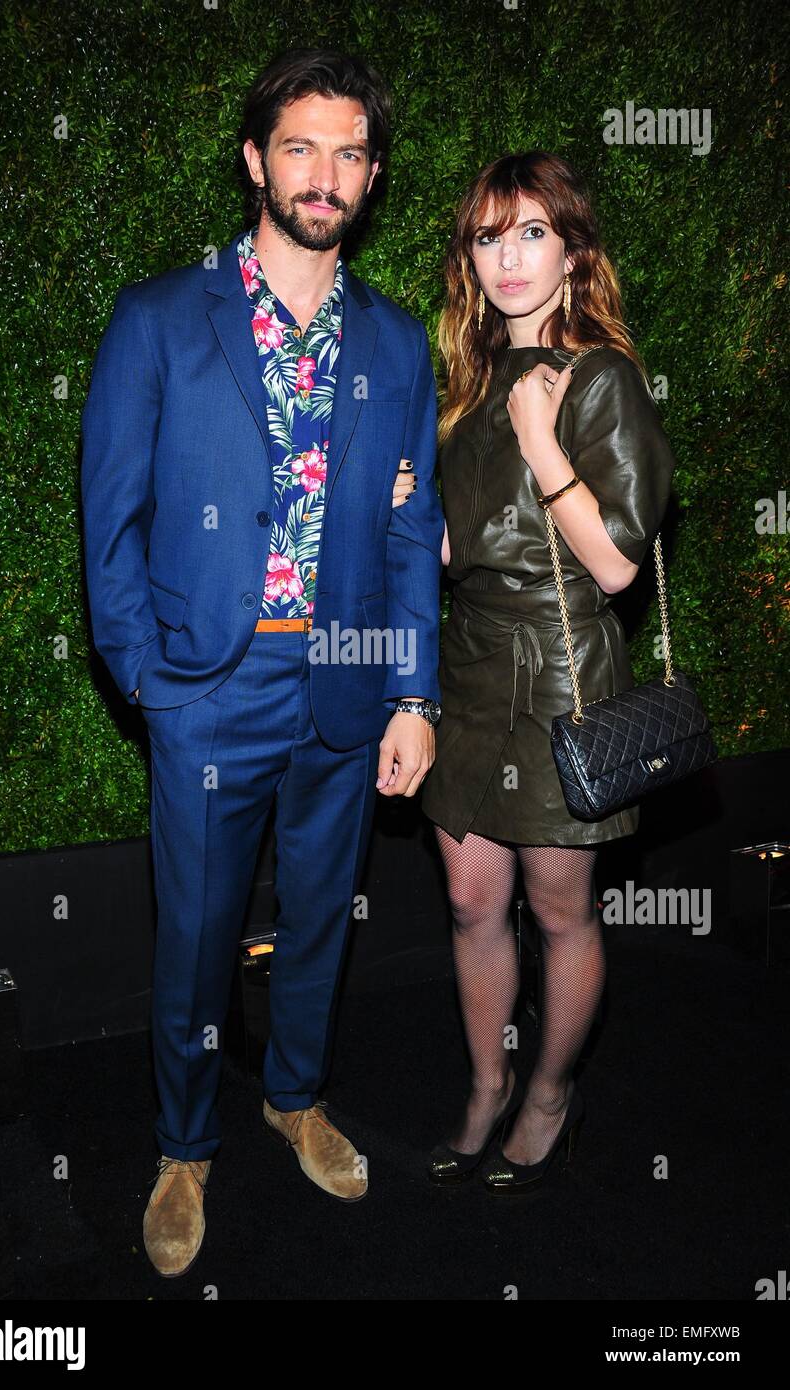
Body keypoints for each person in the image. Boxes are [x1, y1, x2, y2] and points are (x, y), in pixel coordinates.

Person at [80, 48, 444, 1276]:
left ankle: (296, 1097)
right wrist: (149, 678)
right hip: (206, 689)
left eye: (348, 152)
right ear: (254, 160)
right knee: (193, 933)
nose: (323, 173)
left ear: (371, 176)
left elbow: (407, 530)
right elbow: (110, 521)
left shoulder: (395, 346)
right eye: (300, 146)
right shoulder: (159, 318)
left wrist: (412, 691)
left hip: (342, 678)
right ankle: (184, 1146)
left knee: (323, 920)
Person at [419, 151, 675, 1191]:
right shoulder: (467, 390)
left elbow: (617, 563)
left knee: (561, 911)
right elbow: (458, 549)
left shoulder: (601, 377)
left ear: (572, 248)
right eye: (489, 235)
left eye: (531, 231)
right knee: (474, 905)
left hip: (566, 670)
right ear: (470, 259)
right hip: (471, 669)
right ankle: (486, 1082)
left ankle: (551, 1090)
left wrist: (543, 441)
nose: (509, 256)